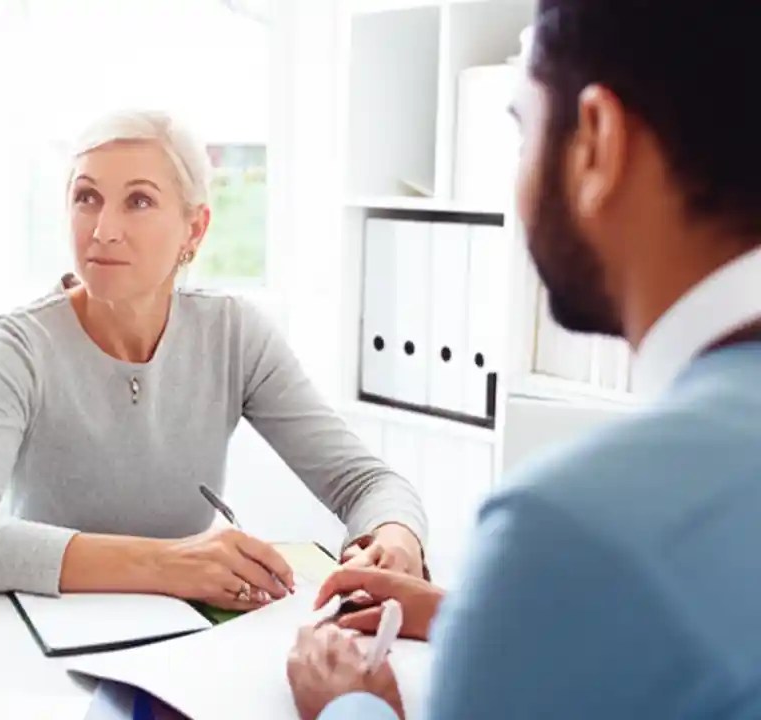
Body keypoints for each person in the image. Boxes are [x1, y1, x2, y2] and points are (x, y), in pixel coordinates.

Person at [288, 1, 761, 717]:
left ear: (596, 142)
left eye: (521, 128)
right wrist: (466, 615)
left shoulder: (570, 529)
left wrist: (347, 705)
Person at [0, 110, 427, 611]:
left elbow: (368, 483)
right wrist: (167, 563)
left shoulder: (232, 333)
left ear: (195, 230)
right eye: (86, 197)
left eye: (138, 201)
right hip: (45, 639)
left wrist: (396, 535)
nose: (103, 229)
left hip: (183, 641)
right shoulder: (22, 344)